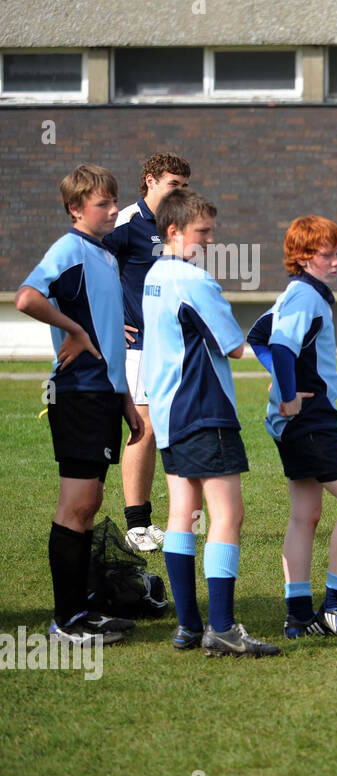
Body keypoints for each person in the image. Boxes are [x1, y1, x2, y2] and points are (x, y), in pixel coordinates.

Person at [143, 189, 280, 656]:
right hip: (203, 409)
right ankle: (221, 627)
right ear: (174, 232)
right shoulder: (193, 281)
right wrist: (281, 326)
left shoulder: (154, 274)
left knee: (183, 514)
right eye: (202, 232)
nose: (210, 240)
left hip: (168, 411)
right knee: (227, 515)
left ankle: (188, 626)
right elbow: (235, 345)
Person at [16, 164, 143, 645]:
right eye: (102, 204)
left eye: (114, 201)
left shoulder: (105, 255)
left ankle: (83, 610)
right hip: (78, 395)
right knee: (77, 504)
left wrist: (126, 401)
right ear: (75, 209)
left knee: (88, 504)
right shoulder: (69, 248)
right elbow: (26, 298)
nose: (113, 210)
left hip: (105, 396)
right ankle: (66, 621)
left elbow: (110, 337)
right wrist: (72, 329)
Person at [247, 216, 337, 643]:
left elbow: (258, 334)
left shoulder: (299, 293)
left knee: (306, 515)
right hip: (310, 420)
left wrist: (284, 391)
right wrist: (287, 393)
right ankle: (336, 608)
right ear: (302, 258)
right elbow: (278, 345)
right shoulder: (305, 296)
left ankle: (298, 615)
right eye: (327, 254)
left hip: (297, 421)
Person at [102, 152, 191, 553]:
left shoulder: (175, 226)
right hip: (137, 348)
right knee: (144, 429)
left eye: (184, 186)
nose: (181, 192)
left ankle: (149, 521)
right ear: (151, 181)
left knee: (163, 430)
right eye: (174, 184)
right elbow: (87, 265)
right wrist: (106, 320)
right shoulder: (126, 222)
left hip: (171, 345)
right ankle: (135, 525)